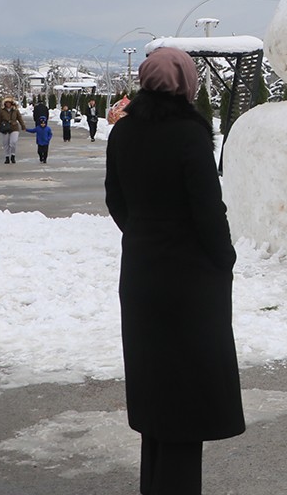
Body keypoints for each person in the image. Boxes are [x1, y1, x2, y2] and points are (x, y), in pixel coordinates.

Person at [104, 48, 245, 494]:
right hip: (189, 282)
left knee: (156, 389)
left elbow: (115, 199)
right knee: (187, 395)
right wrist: (223, 259)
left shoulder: (123, 132)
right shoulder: (189, 133)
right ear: (186, 83)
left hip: (141, 274)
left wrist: (144, 235)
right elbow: (208, 209)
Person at [0, 97, 25, 165]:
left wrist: (23, 126)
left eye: (9, 103)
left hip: (14, 127)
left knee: (13, 142)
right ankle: (7, 156)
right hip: (5, 128)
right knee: (6, 143)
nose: (8, 104)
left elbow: (20, 118)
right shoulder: (1, 111)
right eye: (6, 103)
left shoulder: (15, 110)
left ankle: (13, 155)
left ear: (11, 103)